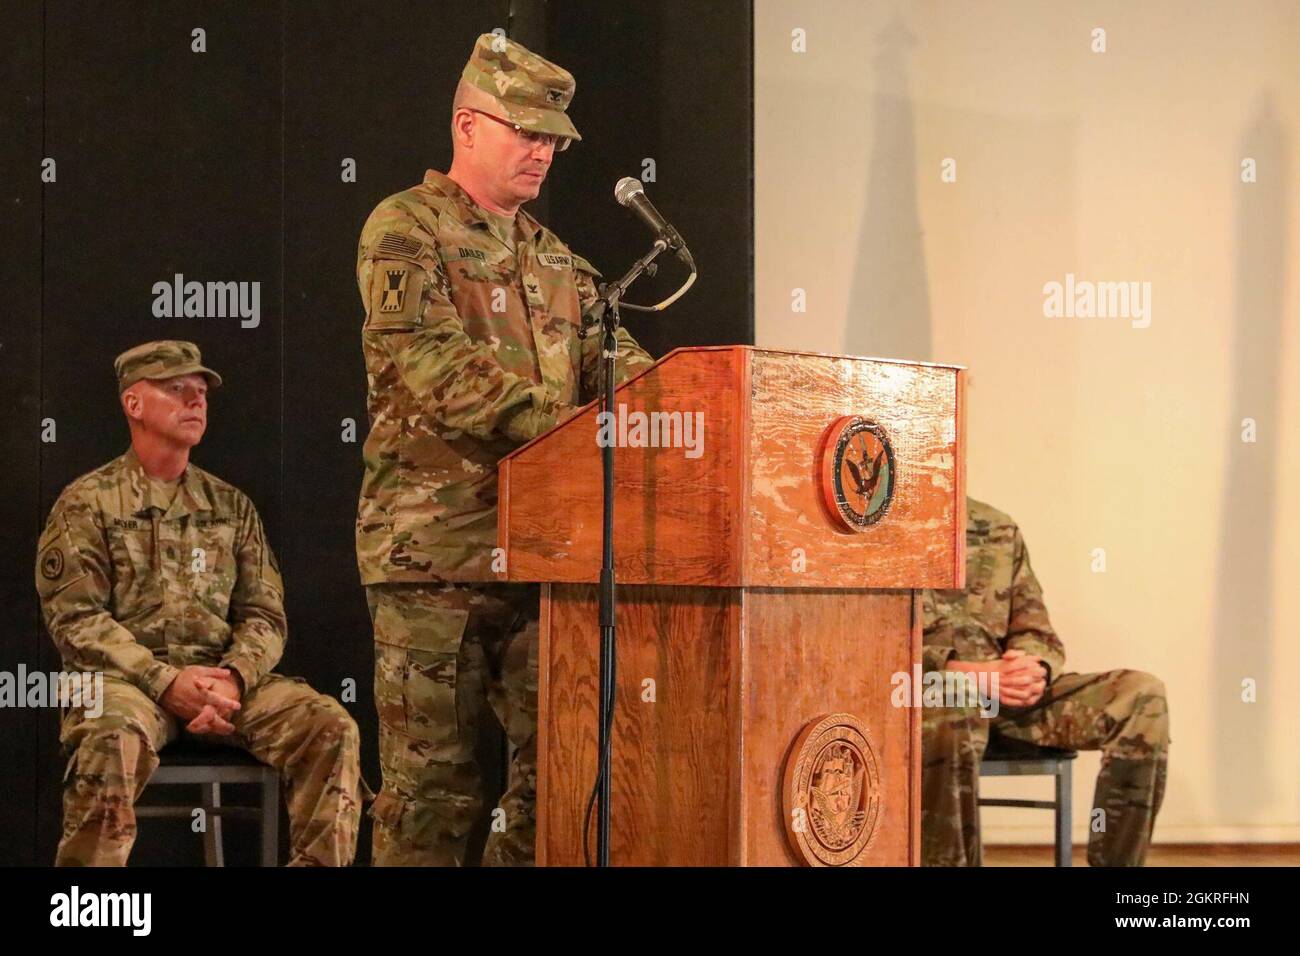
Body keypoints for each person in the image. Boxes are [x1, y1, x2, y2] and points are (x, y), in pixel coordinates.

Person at [355, 33, 655, 866]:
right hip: (434, 559)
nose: (542, 149)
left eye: (553, 137)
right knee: (434, 797)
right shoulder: (404, 230)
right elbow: (435, 368)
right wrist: (574, 428)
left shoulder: (563, 263)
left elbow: (631, 383)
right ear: (466, 125)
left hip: (543, 562)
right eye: (524, 130)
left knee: (561, 782)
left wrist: (687, 413)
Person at [37, 340, 365, 866]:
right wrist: (165, 682)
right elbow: (76, 620)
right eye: (176, 389)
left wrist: (233, 677)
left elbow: (264, 614)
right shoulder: (87, 503)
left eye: (200, 391)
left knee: (329, 727)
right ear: (134, 404)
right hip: (129, 686)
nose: (196, 400)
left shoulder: (230, 505)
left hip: (224, 683)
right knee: (110, 730)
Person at [921, 497, 1169, 866]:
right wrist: (968, 675)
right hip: (921, 698)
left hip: (1007, 700)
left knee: (1141, 696)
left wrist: (1030, 668)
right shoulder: (869, 526)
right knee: (958, 703)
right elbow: (864, 648)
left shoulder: (995, 527)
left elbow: (1036, 631)